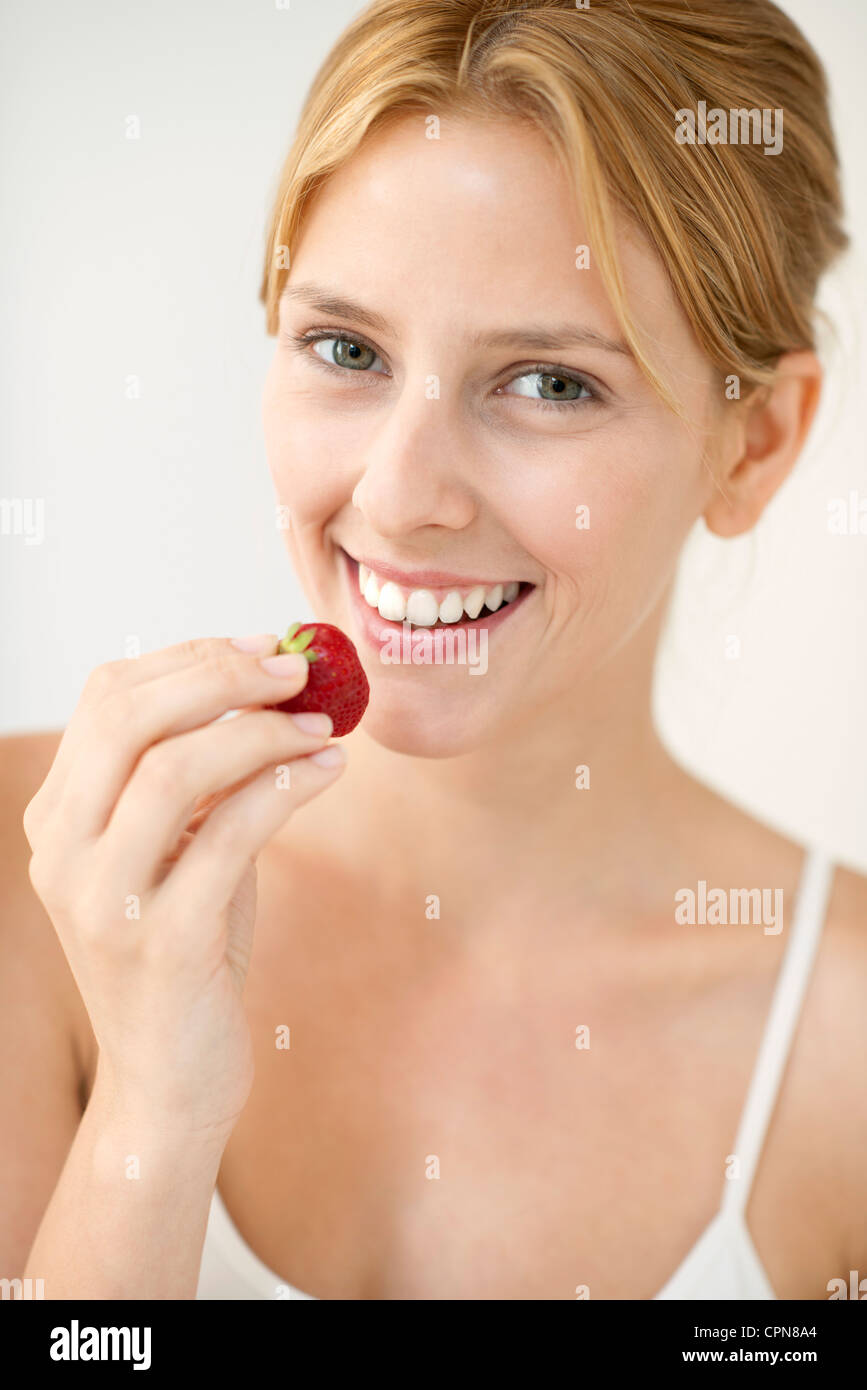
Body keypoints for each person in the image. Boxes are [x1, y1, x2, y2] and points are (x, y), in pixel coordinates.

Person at [3, 0, 865, 1301]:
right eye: (345, 349)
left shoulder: (845, 1038)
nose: (403, 495)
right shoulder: (36, 882)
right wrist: (153, 1112)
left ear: (752, 446)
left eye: (551, 383)